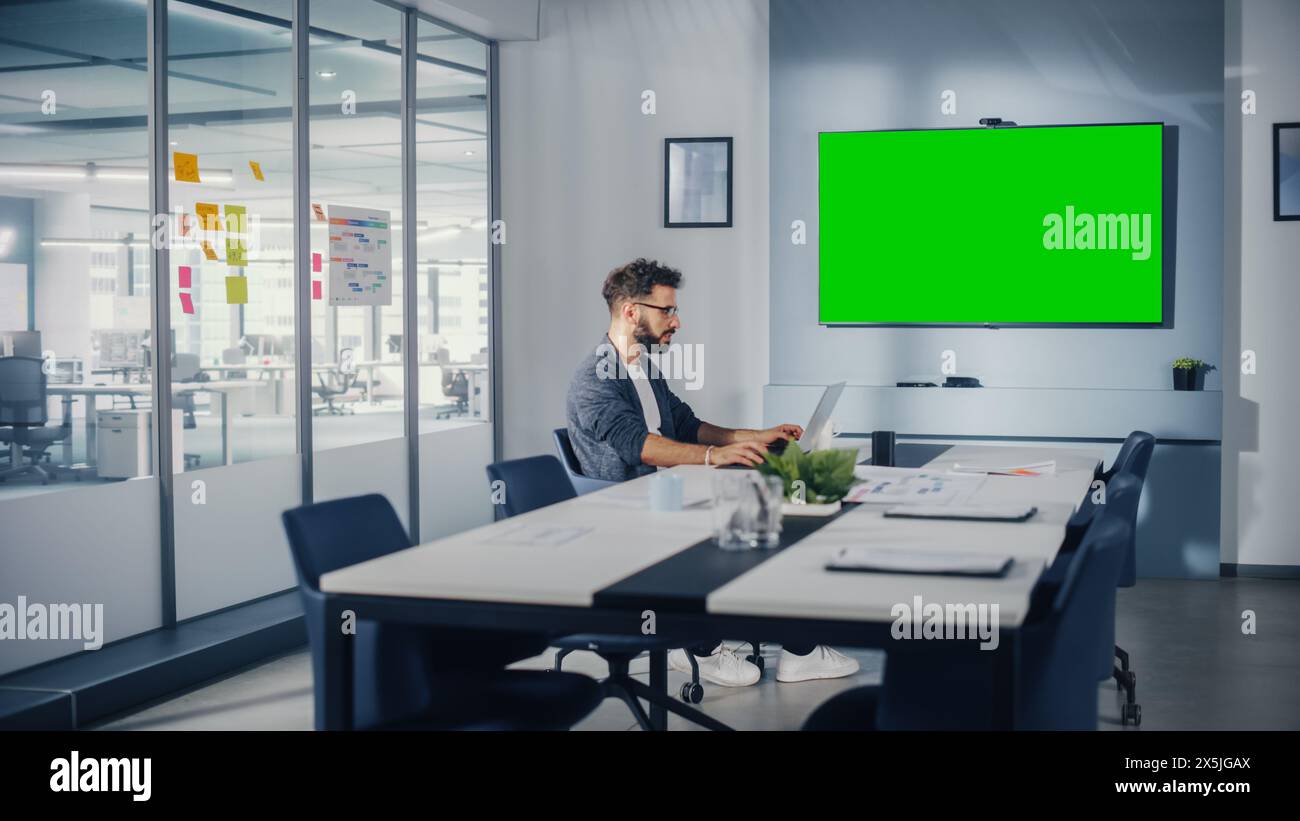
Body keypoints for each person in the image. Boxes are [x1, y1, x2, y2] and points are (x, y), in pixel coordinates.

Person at [566, 258, 859, 687]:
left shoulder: (641, 365)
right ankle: (702, 647)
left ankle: (795, 650)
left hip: (666, 492)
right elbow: (642, 447)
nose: (677, 321)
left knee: (776, 512)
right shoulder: (596, 377)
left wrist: (757, 435)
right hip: (628, 510)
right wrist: (713, 458)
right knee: (757, 521)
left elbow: (687, 426)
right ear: (631, 311)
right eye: (667, 310)